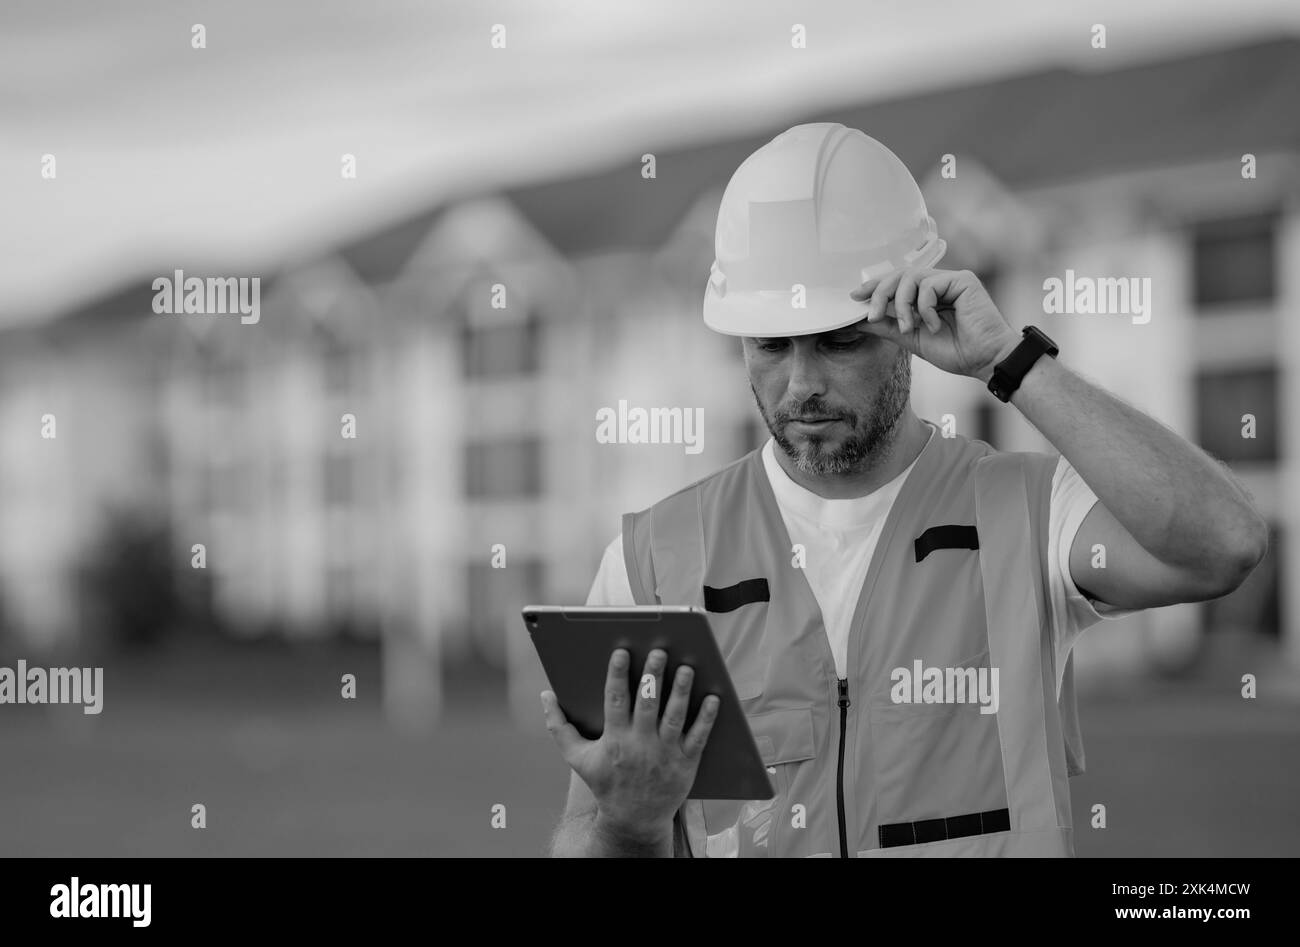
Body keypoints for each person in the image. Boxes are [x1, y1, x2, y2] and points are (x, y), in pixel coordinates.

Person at [542, 123, 1268, 857]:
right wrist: (626, 826)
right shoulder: (652, 561)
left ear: (910, 317)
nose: (802, 385)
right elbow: (580, 833)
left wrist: (1011, 362)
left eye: (839, 339)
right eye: (770, 345)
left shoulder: (1026, 513)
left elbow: (1225, 543)